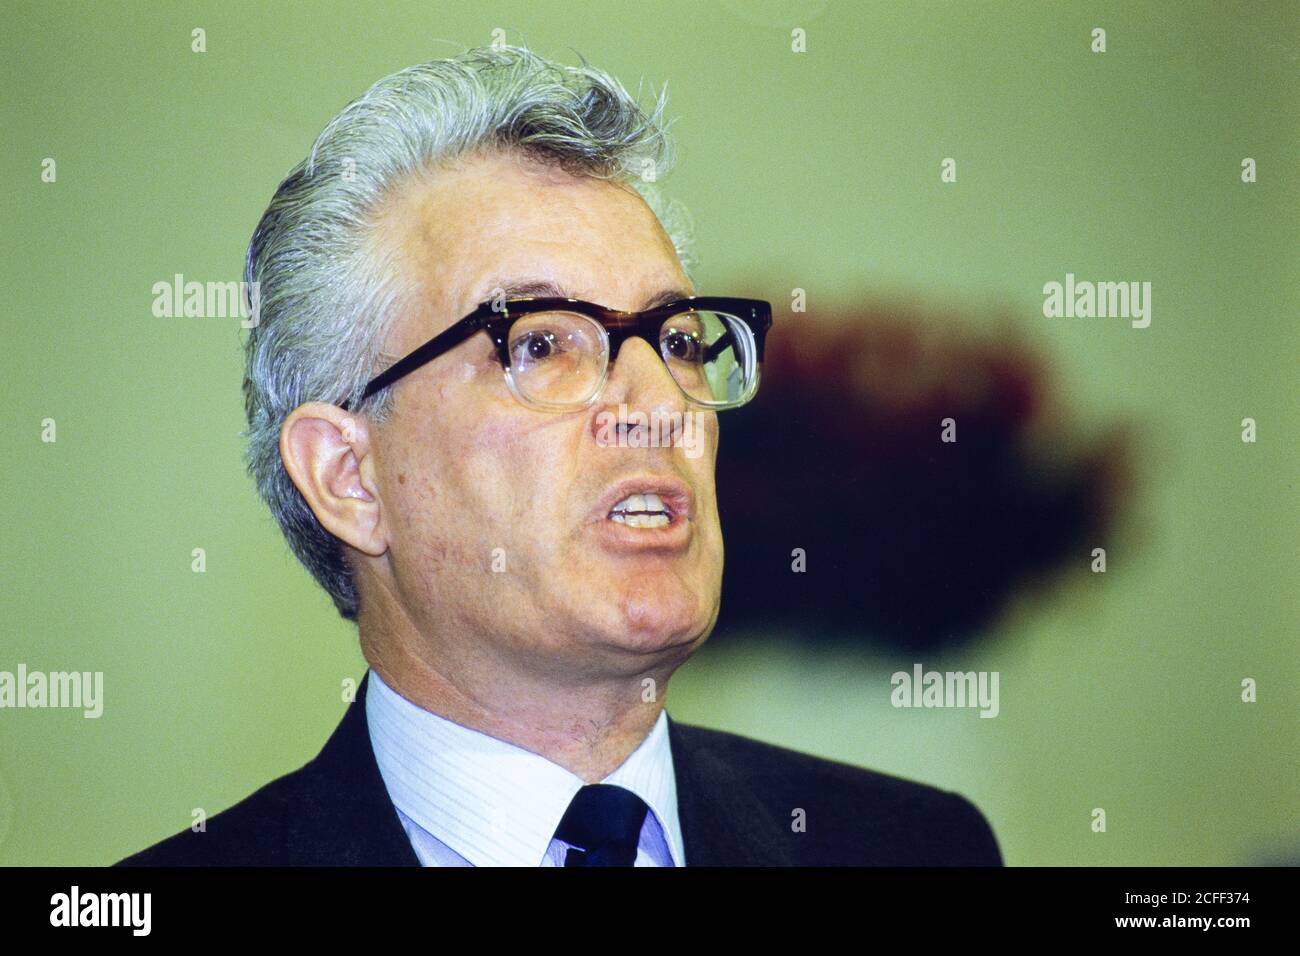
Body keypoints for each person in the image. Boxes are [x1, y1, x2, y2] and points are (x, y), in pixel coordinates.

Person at [118, 45, 1001, 867]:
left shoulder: (918, 848)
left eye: (681, 341)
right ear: (350, 477)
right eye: (541, 345)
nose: (660, 404)